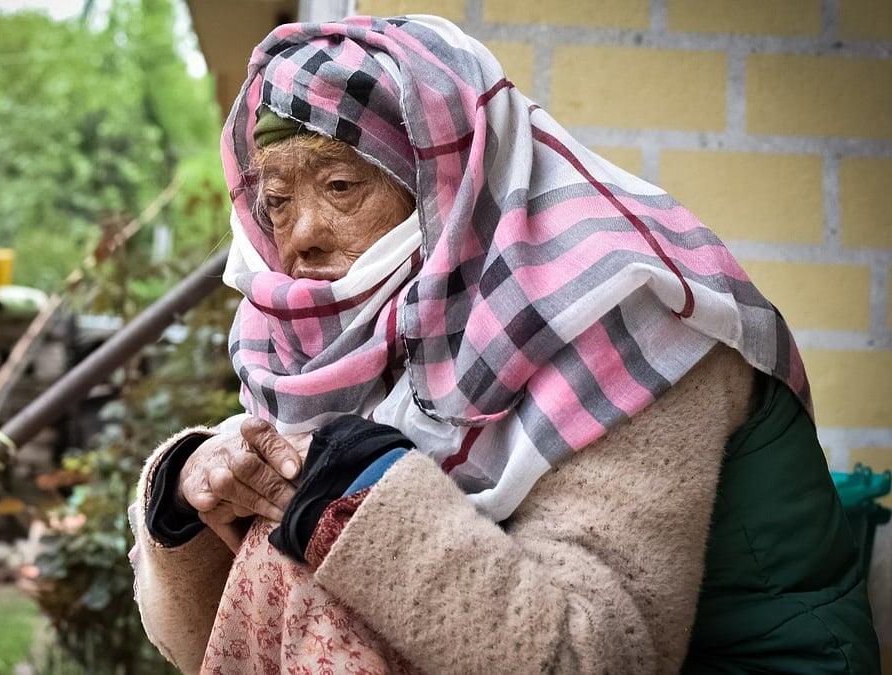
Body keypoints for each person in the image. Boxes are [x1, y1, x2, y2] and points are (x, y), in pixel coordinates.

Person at [129, 14, 879, 674]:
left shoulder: (627, 320)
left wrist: (361, 492)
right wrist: (189, 506)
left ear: (443, 184)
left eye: (340, 186)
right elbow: (228, 645)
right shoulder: (341, 346)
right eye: (278, 202)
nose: (300, 240)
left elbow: (597, 656)